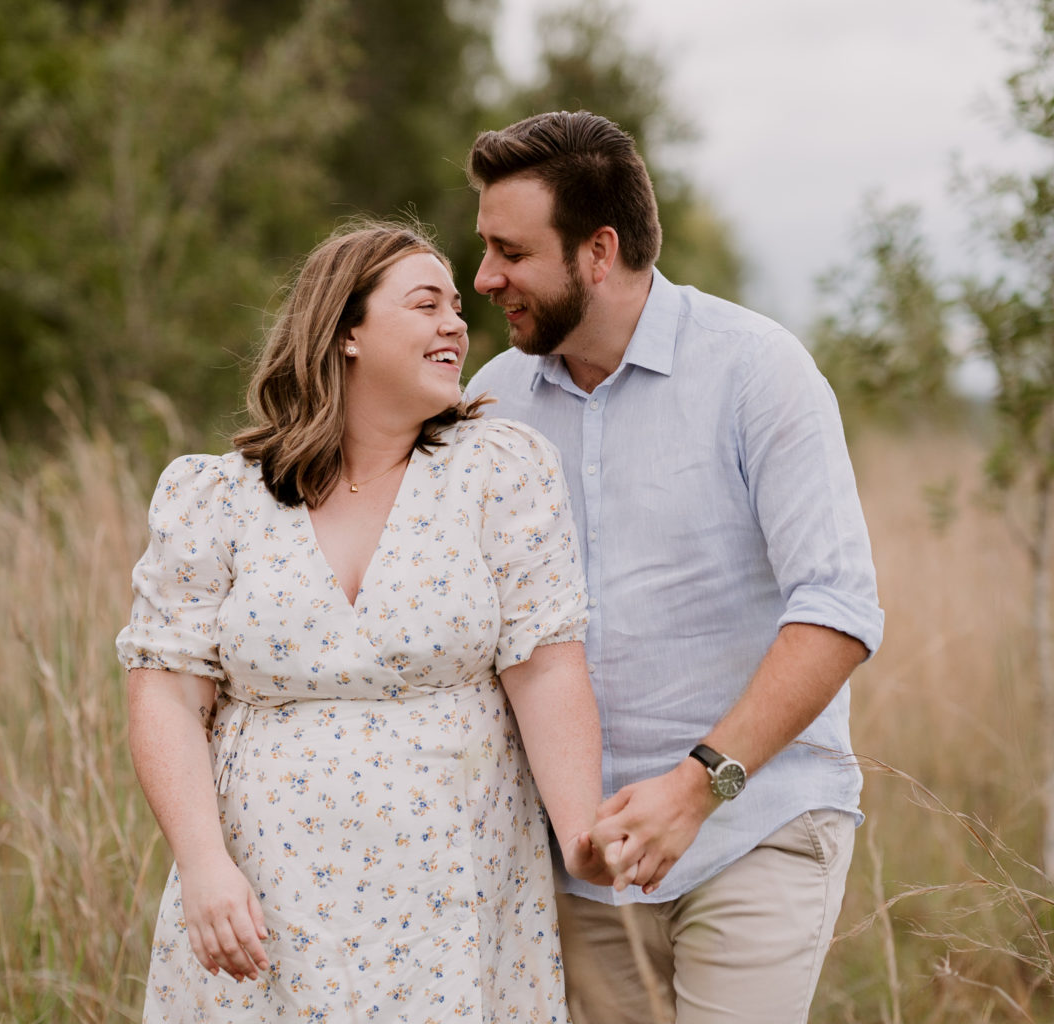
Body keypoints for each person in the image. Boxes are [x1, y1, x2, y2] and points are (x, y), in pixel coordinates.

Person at [116, 220, 609, 1023]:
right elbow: (166, 695)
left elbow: (548, 668)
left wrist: (586, 836)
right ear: (347, 330)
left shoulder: (498, 472)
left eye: (457, 306)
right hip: (262, 896)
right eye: (427, 304)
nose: (458, 322)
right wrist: (203, 865)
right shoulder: (216, 497)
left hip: (451, 889)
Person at [463, 111, 885, 1024]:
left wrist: (700, 786)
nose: (484, 277)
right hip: (577, 867)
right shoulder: (488, 406)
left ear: (598, 251)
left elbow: (840, 610)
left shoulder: (758, 372)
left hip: (753, 826)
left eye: (510, 251)